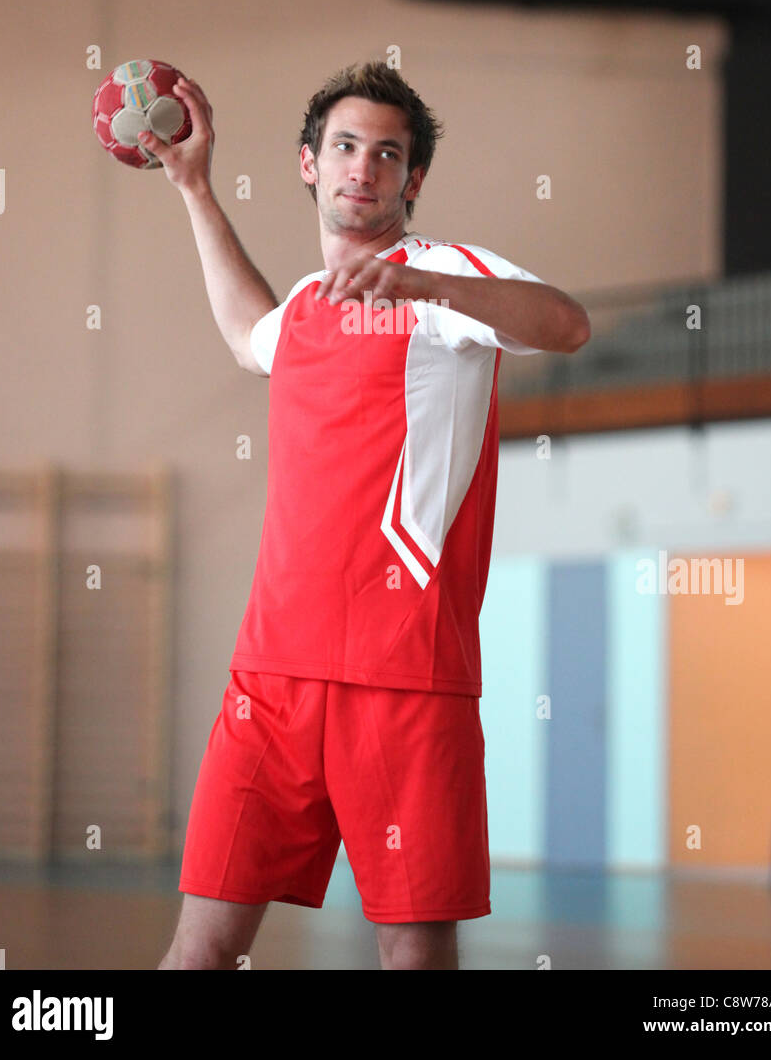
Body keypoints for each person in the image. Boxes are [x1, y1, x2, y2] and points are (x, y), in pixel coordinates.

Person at [153, 62, 590, 971]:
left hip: (403, 678)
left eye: (387, 154)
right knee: (200, 950)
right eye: (345, 147)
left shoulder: (444, 276)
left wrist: (428, 293)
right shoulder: (308, 308)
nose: (364, 167)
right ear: (310, 164)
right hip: (269, 676)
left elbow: (565, 323)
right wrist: (193, 187)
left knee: (413, 954)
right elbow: (249, 335)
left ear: (412, 180)